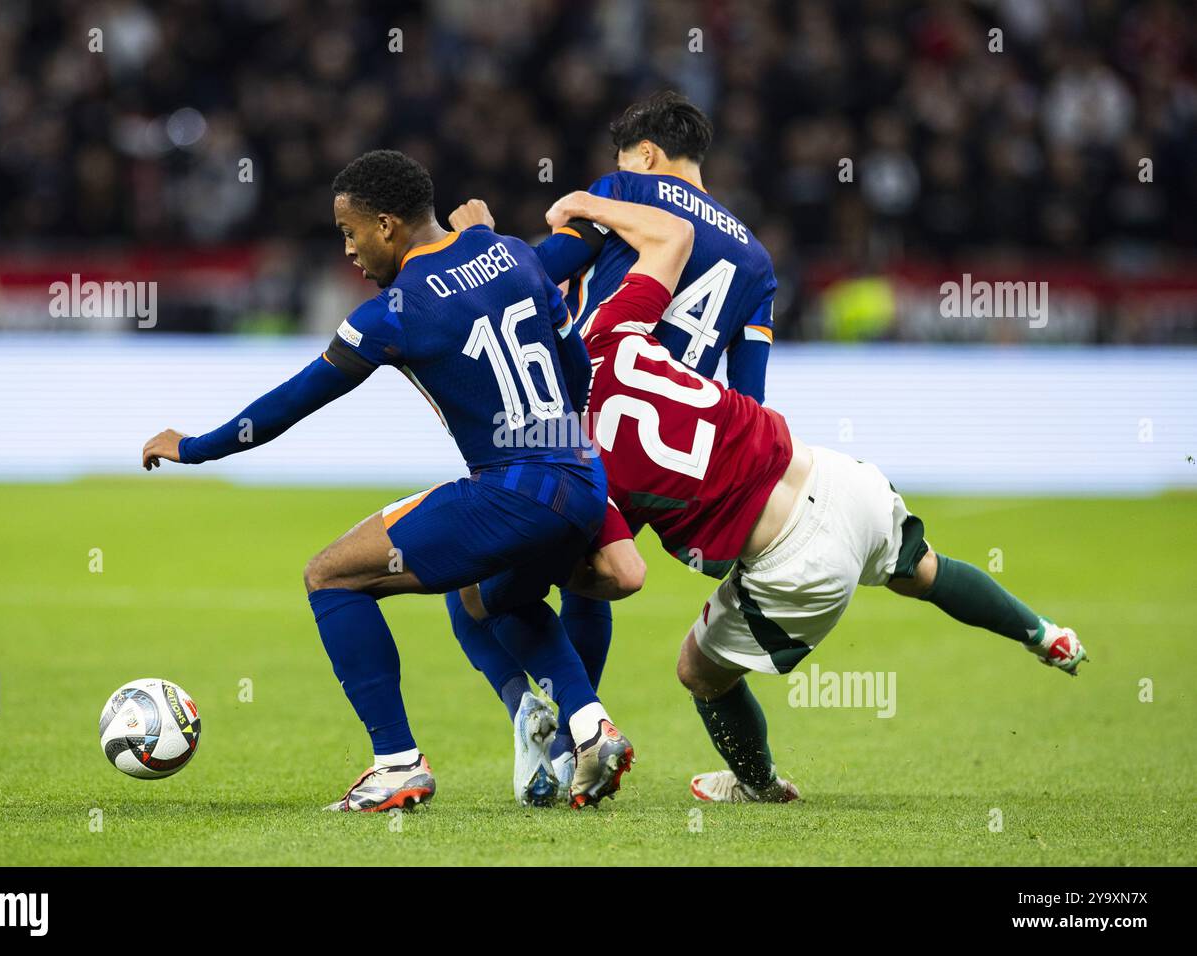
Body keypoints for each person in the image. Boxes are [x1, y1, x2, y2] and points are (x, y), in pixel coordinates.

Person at [534, 189, 1088, 804]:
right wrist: (589, 201)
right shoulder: (613, 329)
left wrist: (541, 575)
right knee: (924, 570)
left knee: (699, 672)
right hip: (839, 479)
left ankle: (760, 783)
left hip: (794, 563)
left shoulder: (577, 459)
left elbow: (621, 573)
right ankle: (1044, 633)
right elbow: (671, 237)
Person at [141, 150, 633, 811]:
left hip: (513, 490)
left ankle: (398, 763)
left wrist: (196, 447)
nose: (347, 250)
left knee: (331, 574)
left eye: (349, 233)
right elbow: (575, 364)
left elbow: (292, 401)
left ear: (386, 225)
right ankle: (587, 725)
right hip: (582, 479)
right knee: (488, 600)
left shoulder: (392, 312)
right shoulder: (515, 255)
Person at [445, 91, 781, 803]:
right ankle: (578, 734)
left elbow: (531, 277)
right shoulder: (757, 260)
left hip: (590, 414)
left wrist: (480, 243)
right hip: (673, 454)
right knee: (582, 572)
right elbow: (750, 398)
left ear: (648, 156)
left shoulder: (626, 193)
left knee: (473, 582)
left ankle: (559, 725)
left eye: (623, 158)